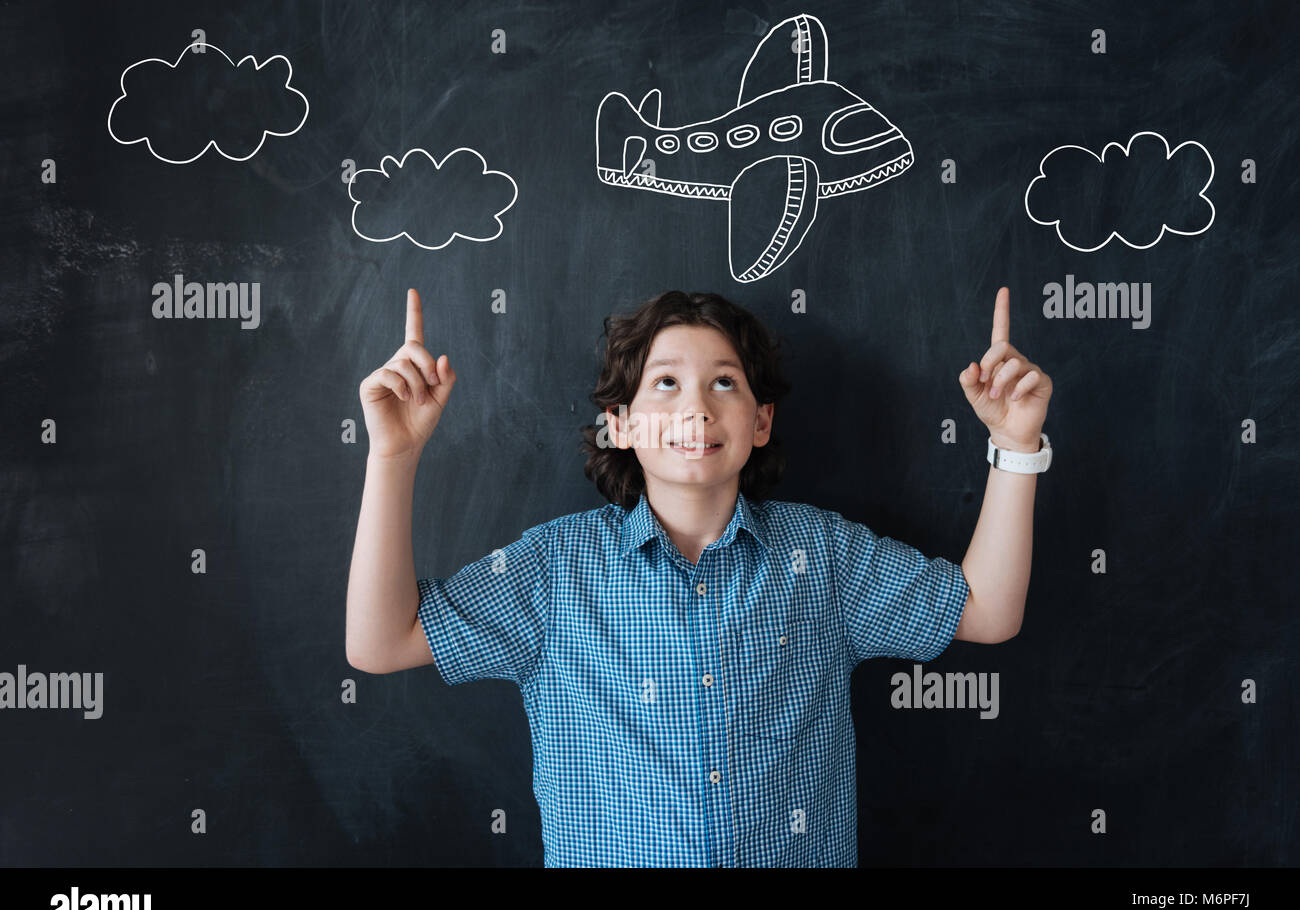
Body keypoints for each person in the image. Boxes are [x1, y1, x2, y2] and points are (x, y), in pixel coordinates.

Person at [345, 287, 1052, 866]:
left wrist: (1016, 445)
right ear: (619, 425)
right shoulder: (553, 572)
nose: (696, 408)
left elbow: (986, 610)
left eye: (724, 382)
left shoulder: (824, 556)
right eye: (665, 384)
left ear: (761, 419)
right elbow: (380, 643)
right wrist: (393, 455)